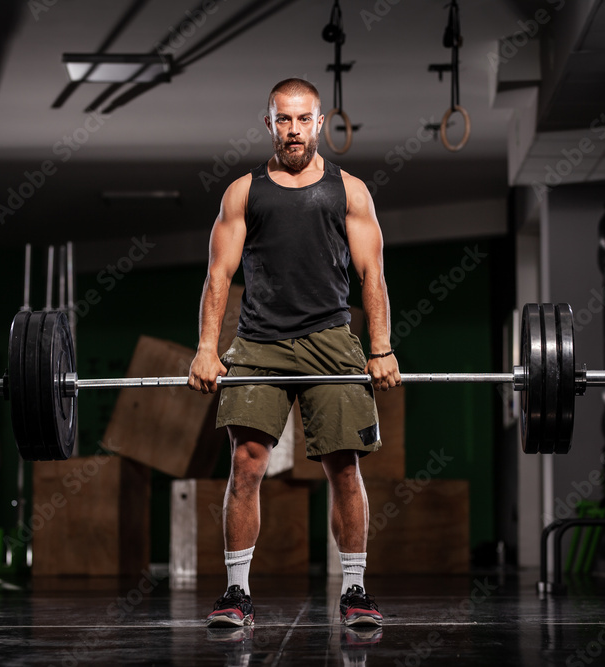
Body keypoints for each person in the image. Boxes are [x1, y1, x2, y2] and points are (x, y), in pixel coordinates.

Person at [188, 78, 401, 628]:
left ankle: (355, 591)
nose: (294, 130)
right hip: (259, 341)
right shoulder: (243, 193)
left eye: (304, 119)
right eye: (283, 119)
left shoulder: (350, 191)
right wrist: (207, 349)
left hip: (330, 339)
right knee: (246, 463)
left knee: (344, 467)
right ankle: (236, 593)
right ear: (269, 124)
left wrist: (381, 347)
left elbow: (372, 273)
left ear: (320, 122)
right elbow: (218, 275)